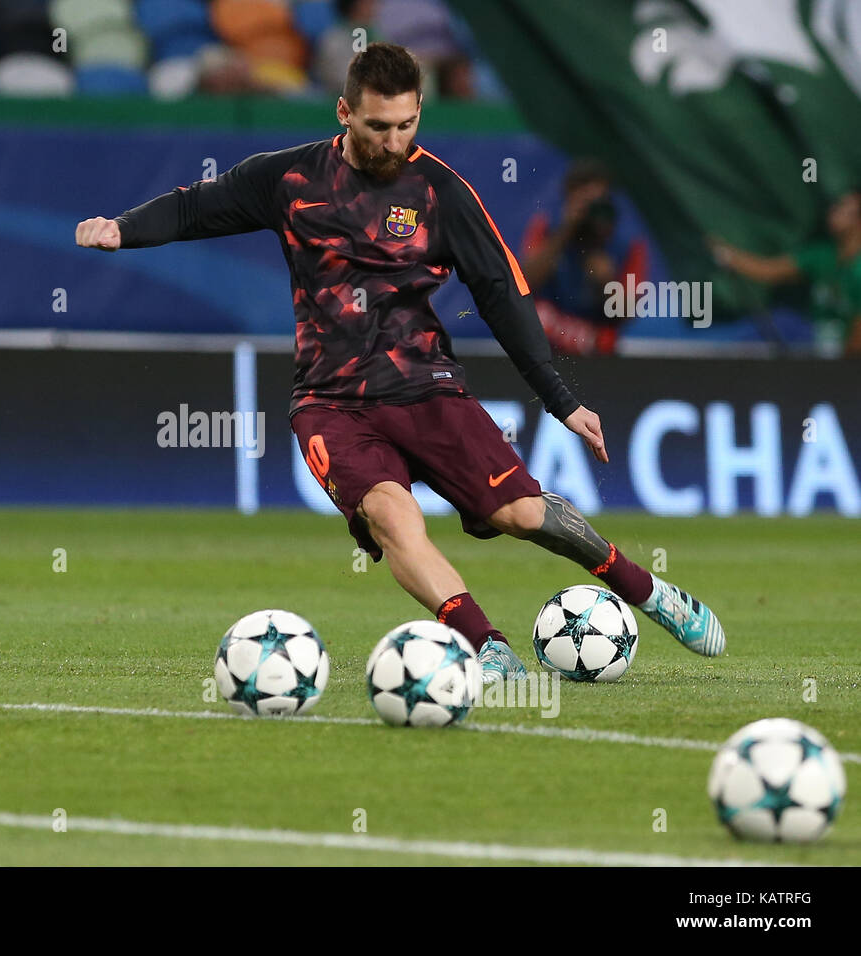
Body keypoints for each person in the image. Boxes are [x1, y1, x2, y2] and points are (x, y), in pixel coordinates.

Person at [75, 43, 724, 681]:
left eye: (407, 125)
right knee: (392, 517)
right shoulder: (291, 180)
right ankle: (487, 647)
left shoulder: (441, 193)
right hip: (329, 402)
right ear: (344, 113)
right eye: (379, 126)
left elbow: (502, 294)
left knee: (522, 515)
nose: (393, 141)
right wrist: (123, 229)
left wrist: (561, 400)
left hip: (426, 388)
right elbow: (197, 206)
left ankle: (647, 591)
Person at [709, 189, 861, 357]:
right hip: (821, 344)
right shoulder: (822, 255)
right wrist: (728, 255)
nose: (833, 211)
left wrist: (847, 362)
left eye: (842, 207)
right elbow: (769, 271)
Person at [521, 159, 648, 355]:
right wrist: (566, 230)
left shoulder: (628, 247)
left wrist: (606, 283)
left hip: (597, 351)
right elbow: (524, 284)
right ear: (568, 199)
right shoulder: (546, 231)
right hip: (546, 346)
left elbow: (627, 312)